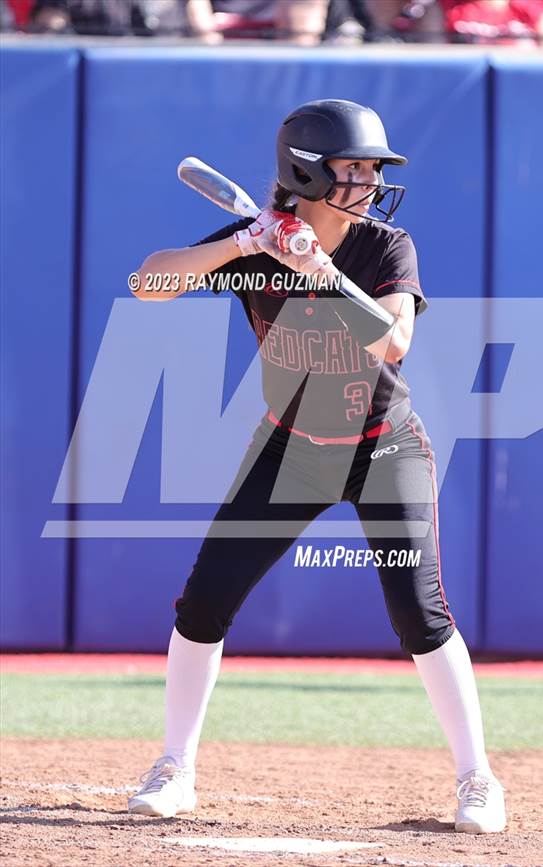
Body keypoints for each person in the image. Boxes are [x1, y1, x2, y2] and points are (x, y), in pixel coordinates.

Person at [126, 99, 507, 835]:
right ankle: (175, 767)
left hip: (381, 446)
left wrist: (323, 271)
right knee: (204, 601)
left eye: (372, 168)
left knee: (419, 613)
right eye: (353, 168)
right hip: (289, 448)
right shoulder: (257, 240)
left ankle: (477, 778)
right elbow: (149, 283)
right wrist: (245, 246)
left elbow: (393, 342)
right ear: (305, 171)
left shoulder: (388, 246)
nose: (368, 180)